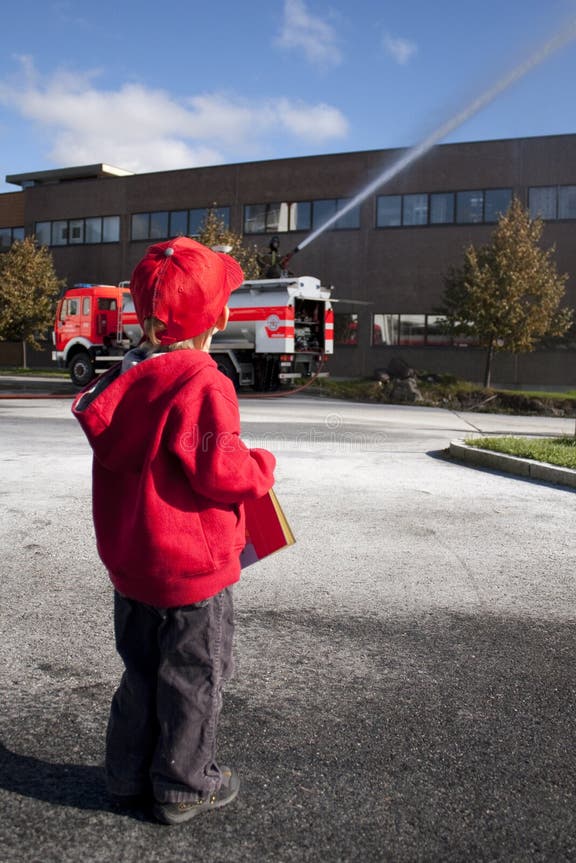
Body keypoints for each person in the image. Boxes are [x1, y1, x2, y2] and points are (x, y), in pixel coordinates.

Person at [72, 237, 276, 825]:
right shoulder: (205, 383)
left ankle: (126, 775)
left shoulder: (127, 377)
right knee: (193, 677)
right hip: (191, 574)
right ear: (222, 317)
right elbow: (221, 471)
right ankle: (185, 783)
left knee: (139, 672)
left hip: (134, 568)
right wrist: (261, 466)